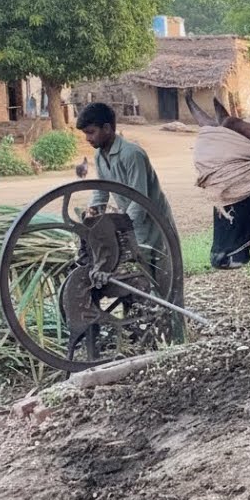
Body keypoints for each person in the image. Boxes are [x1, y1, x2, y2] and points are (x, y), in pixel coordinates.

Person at [75, 102, 182, 340]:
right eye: (85, 134)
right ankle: (140, 334)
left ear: (107, 128)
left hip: (155, 225)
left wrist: (119, 232)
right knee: (136, 279)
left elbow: (139, 198)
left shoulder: (132, 154)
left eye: (91, 132)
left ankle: (177, 337)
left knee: (166, 283)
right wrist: (92, 217)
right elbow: (101, 191)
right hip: (130, 225)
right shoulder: (100, 156)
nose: (88, 138)